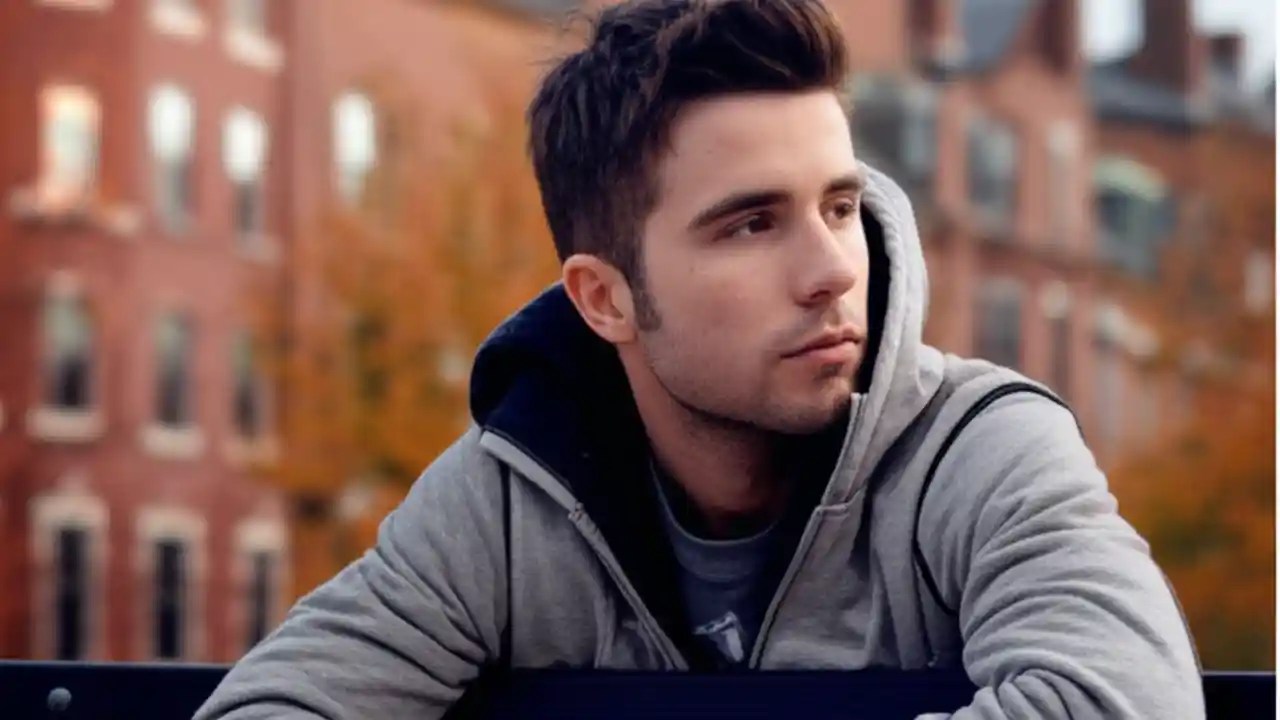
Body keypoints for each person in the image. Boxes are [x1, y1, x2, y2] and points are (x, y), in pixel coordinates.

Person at [195, 0, 1203, 717]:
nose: (828, 271)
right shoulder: (512, 505)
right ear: (604, 298)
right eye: (751, 226)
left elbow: (1120, 701)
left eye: (839, 208)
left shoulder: (982, 452)